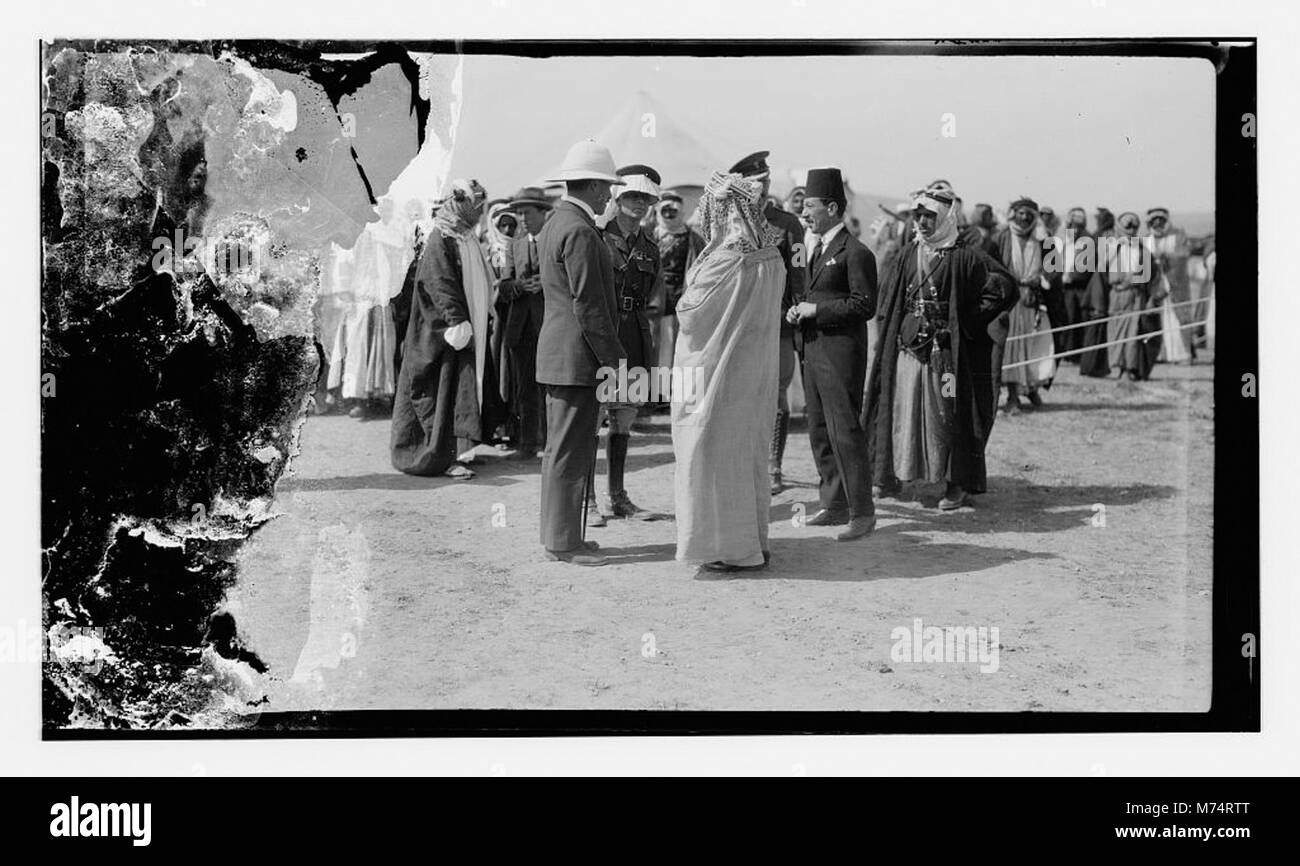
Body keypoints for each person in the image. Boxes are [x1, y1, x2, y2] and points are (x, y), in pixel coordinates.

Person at [864, 186, 1017, 509]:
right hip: (908, 351)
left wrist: (966, 320)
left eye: (928, 216)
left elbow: (1004, 288)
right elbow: (889, 298)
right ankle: (889, 477)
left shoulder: (965, 257)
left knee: (946, 414)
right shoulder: (908, 252)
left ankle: (955, 484)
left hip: (945, 357)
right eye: (917, 216)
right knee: (902, 409)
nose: (921, 222)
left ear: (946, 218)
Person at [672, 170, 786, 571]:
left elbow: (691, 315)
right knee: (747, 455)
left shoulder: (724, 260)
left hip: (716, 379)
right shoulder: (771, 256)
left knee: (713, 458)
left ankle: (728, 548)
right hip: (753, 377)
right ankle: (753, 542)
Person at [536, 140, 625, 566]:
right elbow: (590, 308)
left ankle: (563, 536)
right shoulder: (581, 232)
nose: (610, 194)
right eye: (606, 186)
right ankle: (563, 542)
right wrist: (616, 363)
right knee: (570, 450)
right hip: (577, 357)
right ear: (590, 186)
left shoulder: (558, 222)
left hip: (561, 354)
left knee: (563, 448)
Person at [390, 179, 506, 479]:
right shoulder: (441, 238)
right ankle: (441, 455)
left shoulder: (465, 236)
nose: (480, 213)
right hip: (442, 332)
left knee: (466, 386)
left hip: (470, 327)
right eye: (476, 207)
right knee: (444, 388)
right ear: (461, 205)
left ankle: (463, 450)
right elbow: (438, 281)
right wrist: (456, 320)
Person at [787, 167, 878, 541]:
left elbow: (864, 305)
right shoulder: (811, 247)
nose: (804, 213)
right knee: (819, 430)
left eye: (810, 206)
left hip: (840, 354)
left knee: (845, 431)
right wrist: (798, 309)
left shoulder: (856, 252)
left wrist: (817, 311)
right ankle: (834, 503)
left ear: (833, 207)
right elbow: (810, 292)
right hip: (811, 349)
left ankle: (862, 512)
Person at [590, 164, 668, 525]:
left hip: (635, 335)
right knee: (593, 419)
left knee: (624, 419)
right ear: (617, 199)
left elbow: (654, 297)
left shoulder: (650, 248)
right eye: (633, 196)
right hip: (603, 334)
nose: (640, 204)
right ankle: (588, 500)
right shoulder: (598, 238)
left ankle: (618, 497)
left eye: (646, 198)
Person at [729, 150, 807, 494]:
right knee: (741, 395)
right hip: (739, 327)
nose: (761, 188)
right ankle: (746, 463)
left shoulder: (788, 224)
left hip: (778, 327)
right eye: (754, 183)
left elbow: (800, 273)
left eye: (765, 181)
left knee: (776, 396)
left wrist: (796, 311)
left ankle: (773, 467)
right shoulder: (729, 222)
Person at [496, 186, 553, 460]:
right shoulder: (514, 245)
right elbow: (503, 286)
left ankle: (550, 442)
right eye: (519, 213)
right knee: (525, 388)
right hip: (521, 329)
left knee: (550, 387)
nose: (522, 218)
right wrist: (519, 285)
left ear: (543, 212)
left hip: (550, 327)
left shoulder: (556, 241)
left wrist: (546, 283)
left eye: (527, 212)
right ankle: (528, 442)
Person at [994, 198, 1057, 413]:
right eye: (1021, 213)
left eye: (1029, 214)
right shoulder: (1002, 236)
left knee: (1036, 347)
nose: (1024, 218)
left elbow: (1054, 267)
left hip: (1032, 300)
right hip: (1009, 301)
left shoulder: (1044, 239)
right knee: (1012, 349)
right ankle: (1013, 396)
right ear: (1013, 214)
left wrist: (1039, 280)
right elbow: (993, 267)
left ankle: (1031, 389)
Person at [653, 191, 705, 386]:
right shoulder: (650, 235)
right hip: (653, 303)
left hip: (682, 300)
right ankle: (655, 393)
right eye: (664, 210)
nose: (668, 214)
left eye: (672, 210)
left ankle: (675, 392)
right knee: (656, 346)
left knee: (679, 348)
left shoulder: (694, 239)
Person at [1106, 211, 1162, 380]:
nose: (1130, 229)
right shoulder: (1110, 249)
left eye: (1133, 227)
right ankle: (1119, 366)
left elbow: (1154, 277)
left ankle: (1129, 369)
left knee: (1132, 333)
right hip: (1116, 297)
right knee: (1116, 333)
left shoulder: (1143, 252)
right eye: (1126, 226)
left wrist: (1152, 298)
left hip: (1135, 297)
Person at [1147, 207, 1195, 363]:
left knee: (1179, 320)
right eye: (1154, 221)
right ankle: (1161, 353)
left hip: (1176, 287)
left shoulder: (1178, 235)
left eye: (1161, 220)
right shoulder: (1147, 239)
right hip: (1156, 287)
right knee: (1159, 321)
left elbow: (1184, 254)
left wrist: (1167, 257)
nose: (1158, 223)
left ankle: (1183, 355)